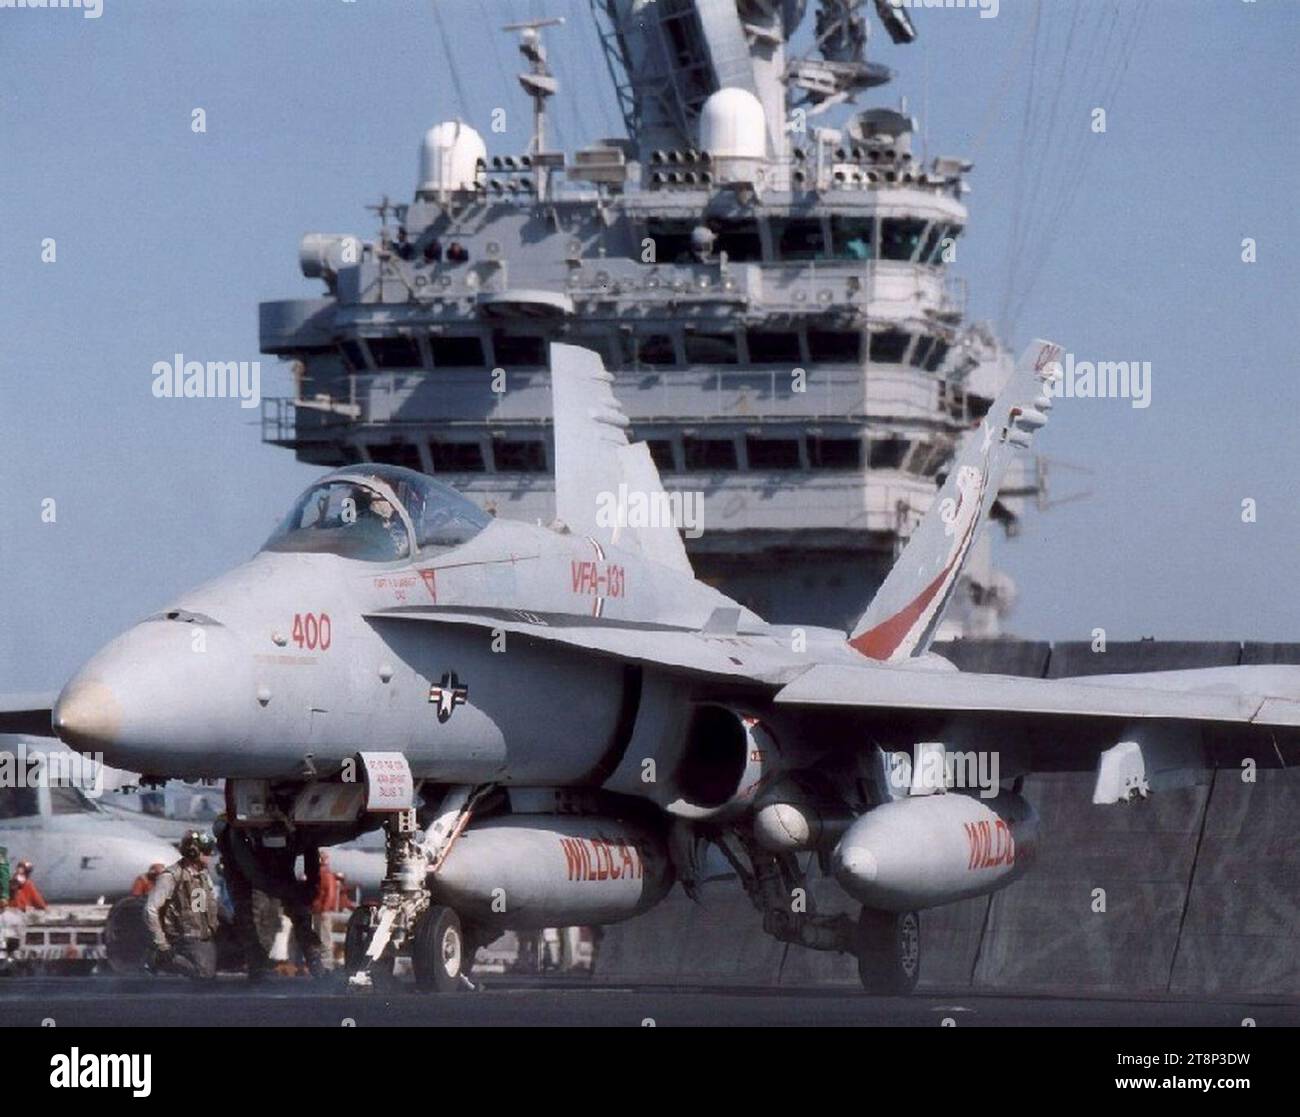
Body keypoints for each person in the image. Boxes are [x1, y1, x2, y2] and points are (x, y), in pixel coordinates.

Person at [144, 831, 219, 981]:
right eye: (206, 851)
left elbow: (201, 906)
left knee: (209, 974)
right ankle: (160, 958)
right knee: (204, 975)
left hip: (201, 935)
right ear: (193, 852)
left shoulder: (202, 875)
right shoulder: (171, 876)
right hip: (182, 936)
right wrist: (161, 944)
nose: (210, 856)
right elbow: (150, 909)